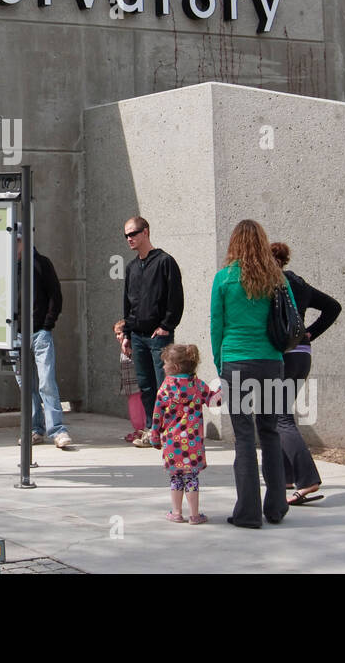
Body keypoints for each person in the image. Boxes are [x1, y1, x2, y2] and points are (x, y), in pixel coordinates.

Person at [210, 219, 288, 529]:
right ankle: (277, 506)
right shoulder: (276, 278)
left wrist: (220, 363)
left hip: (237, 362)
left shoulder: (223, 279)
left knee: (244, 437)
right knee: (270, 432)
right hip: (271, 361)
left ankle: (248, 512)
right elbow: (289, 316)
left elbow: (217, 326)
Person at [270, 242, 341, 506]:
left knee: (279, 416)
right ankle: (287, 476)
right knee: (280, 413)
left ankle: (307, 479)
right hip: (303, 354)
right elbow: (333, 307)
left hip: (284, 355)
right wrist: (310, 333)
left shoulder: (273, 285)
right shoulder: (298, 284)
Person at [118, 216, 184, 448]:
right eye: (126, 235)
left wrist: (166, 326)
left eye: (133, 233)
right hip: (137, 336)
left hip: (158, 338)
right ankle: (151, 430)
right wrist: (126, 334)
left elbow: (175, 298)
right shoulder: (132, 266)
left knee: (164, 387)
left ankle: (169, 432)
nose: (129, 238)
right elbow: (128, 303)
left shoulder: (165, 262)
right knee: (145, 386)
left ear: (145, 232)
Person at [12, 235, 72, 449]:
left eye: (17, 240)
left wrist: (47, 324)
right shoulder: (8, 267)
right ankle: (35, 429)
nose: (13, 244)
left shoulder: (41, 263)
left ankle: (57, 430)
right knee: (25, 384)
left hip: (39, 333)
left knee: (46, 381)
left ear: (25, 241)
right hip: (15, 335)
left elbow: (56, 295)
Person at [151, 343, 221, 525]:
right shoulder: (197, 385)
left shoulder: (166, 388)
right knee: (191, 478)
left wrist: (154, 436)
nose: (163, 367)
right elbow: (213, 401)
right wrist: (223, 389)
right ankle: (195, 515)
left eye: (165, 364)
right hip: (193, 443)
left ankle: (176, 512)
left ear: (174, 367)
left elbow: (157, 415)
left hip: (172, 444)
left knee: (175, 478)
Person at [114, 319, 146, 442]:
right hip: (129, 387)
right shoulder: (124, 348)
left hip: (135, 386)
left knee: (136, 411)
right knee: (135, 410)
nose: (117, 337)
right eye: (116, 334)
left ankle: (140, 431)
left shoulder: (132, 348)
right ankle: (138, 431)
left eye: (119, 333)